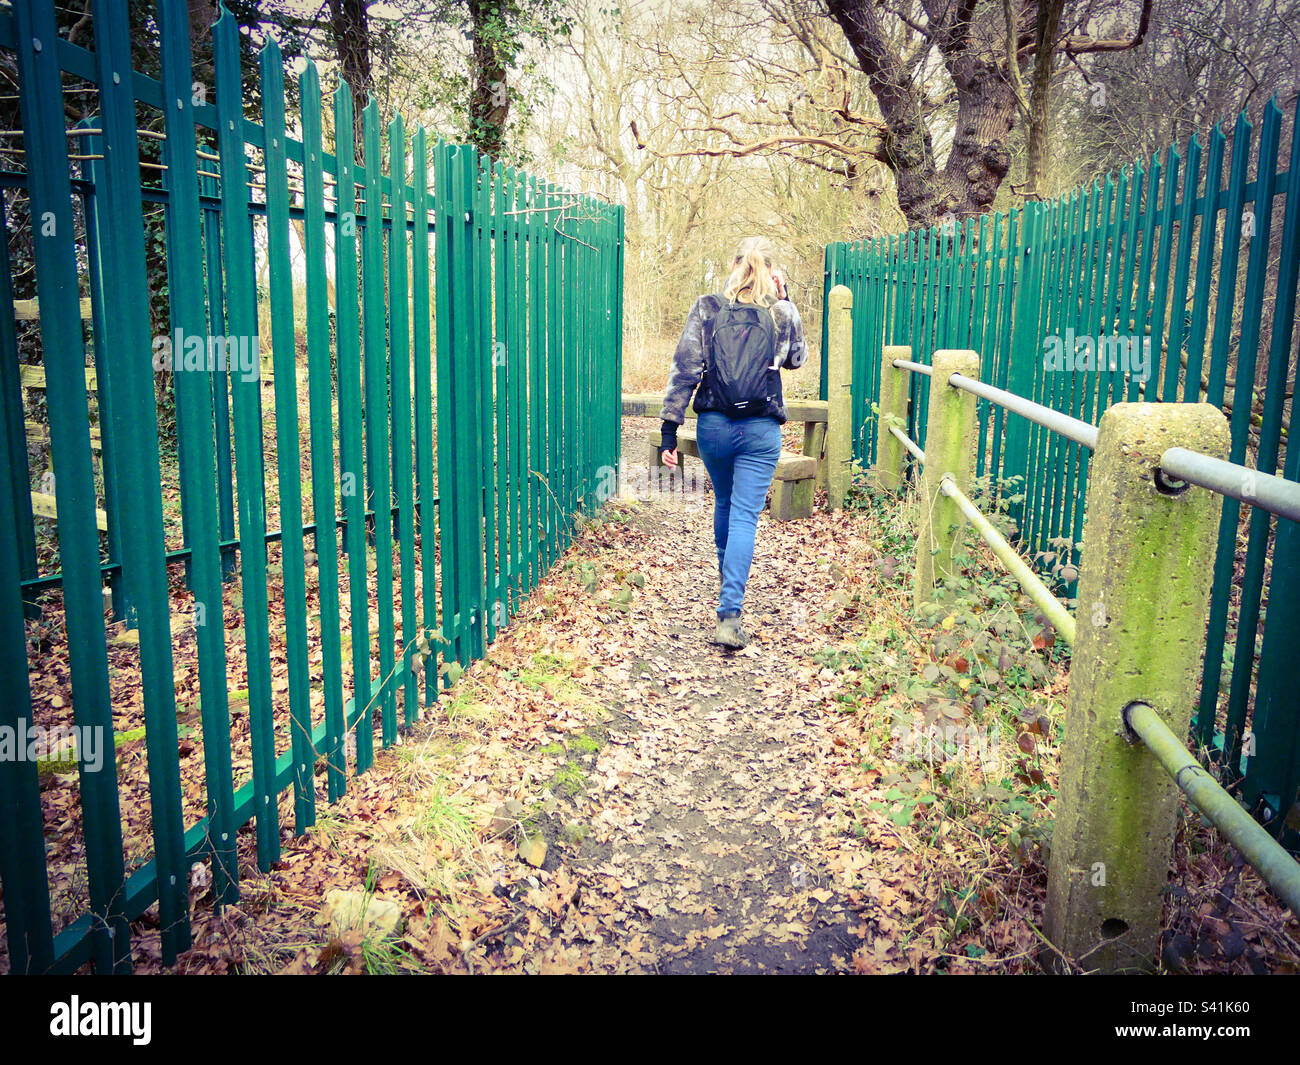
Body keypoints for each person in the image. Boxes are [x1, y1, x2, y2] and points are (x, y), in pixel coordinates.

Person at [657, 236, 807, 649]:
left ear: (734, 266)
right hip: (761, 430)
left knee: (724, 504)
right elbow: (796, 359)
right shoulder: (781, 313)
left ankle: (729, 588)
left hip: (715, 428)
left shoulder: (708, 308)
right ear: (771, 273)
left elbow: (684, 369)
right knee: (744, 515)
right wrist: (786, 300)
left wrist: (670, 429)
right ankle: (729, 613)